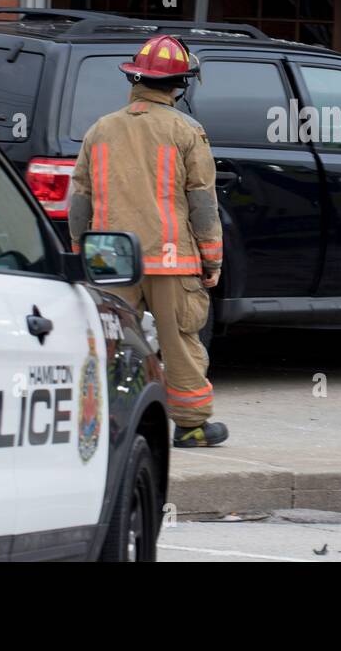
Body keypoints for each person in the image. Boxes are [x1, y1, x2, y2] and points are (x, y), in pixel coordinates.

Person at [69, 34, 228, 448]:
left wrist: (79, 248)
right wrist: (211, 260)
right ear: (180, 84)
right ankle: (192, 426)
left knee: (111, 343)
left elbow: (79, 201)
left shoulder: (99, 130)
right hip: (170, 260)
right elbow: (203, 205)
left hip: (109, 260)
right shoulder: (187, 131)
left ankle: (100, 425)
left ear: (135, 78)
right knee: (178, 340)